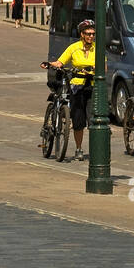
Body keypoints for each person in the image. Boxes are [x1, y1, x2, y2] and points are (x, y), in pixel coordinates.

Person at [40, 19, 97, 162]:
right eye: (88, 34)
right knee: (78, 120)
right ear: (82, 34)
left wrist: (92, 71)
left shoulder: (97, 49)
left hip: (92, 86)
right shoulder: (74, 47)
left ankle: (96, 150)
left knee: (94, 119)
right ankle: (78, 149)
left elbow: (104, 67)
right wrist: (50, 64)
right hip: (77, 86)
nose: (91, 36)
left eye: (93, 34)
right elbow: (60, 62)